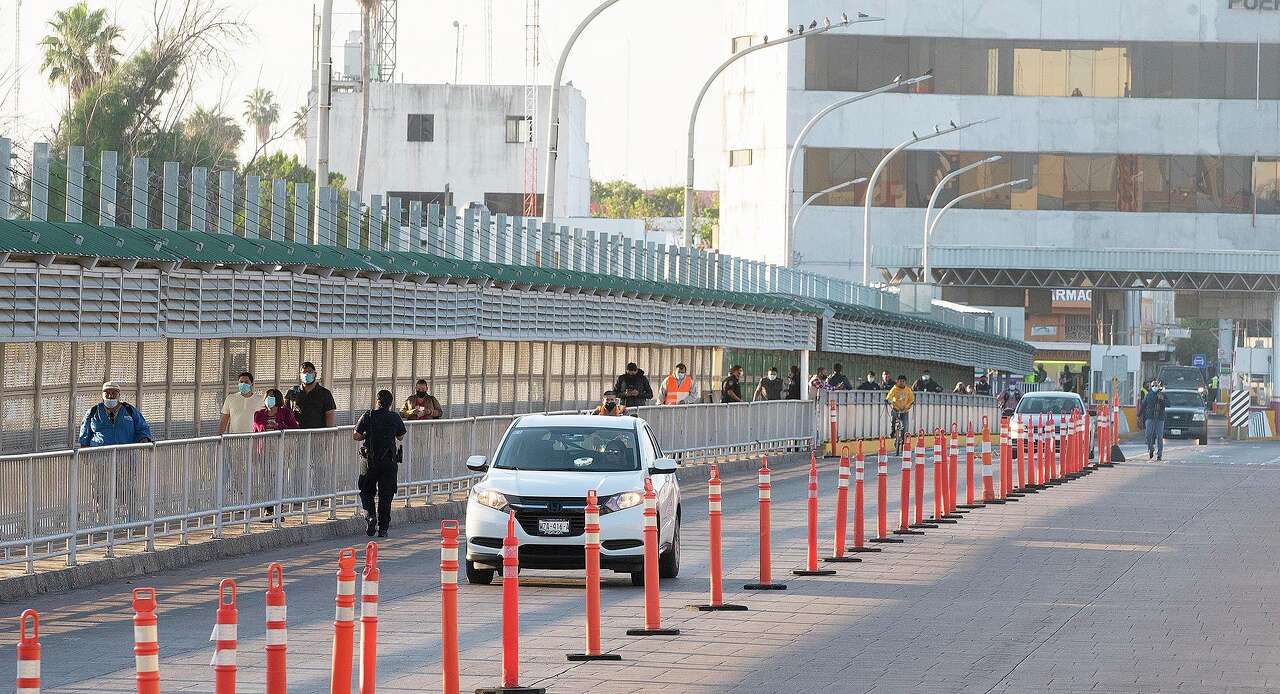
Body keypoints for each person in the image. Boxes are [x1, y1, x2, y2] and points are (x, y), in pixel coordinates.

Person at [353, 390, 406, 538]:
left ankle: (370, 517)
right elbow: (401, 436)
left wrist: (366, 435)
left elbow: (356, 435)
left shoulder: (368, 415)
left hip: (369, 461)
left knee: (366, 491)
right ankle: (383, 529)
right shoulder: (394, 417)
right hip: (389, 462)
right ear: (390, 403)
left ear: (377, 401)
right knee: (386, 495)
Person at [79, 381, 154, 447]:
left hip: (126, 456)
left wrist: (144, 440)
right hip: (99, 456)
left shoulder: (129, 410)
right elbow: (84, 435)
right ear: (102, 395)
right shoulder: (93, 411)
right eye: (107, 393)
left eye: (114, 393)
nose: (110, 396)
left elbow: (142, 428)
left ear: (119, 395)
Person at [286, 361, 337, 429]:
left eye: (309, 372)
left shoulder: (325, 393)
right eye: (304, 372)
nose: (307, 374)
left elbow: (330, 416)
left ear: (315, 374)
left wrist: (329, 436)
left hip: (317, 435)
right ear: (300, 375)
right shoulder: (292, 391)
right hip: (297, 435)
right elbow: (285, 412)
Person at [885, 374, 915, 447]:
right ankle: (893, 431)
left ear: (905, 382)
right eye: (900, 381)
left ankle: (903, 442)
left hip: (905, 410)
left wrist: (908, 406)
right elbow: (890, 396)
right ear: (897, 382)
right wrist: (888, 400)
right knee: (893, 419)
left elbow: (911, 399)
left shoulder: (908, 390)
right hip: (896, 409)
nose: (901, 383)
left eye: (903, 381)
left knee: (905, 426)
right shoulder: (894, 388)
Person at [1141, 382, 1168, 461]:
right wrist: (1139, 415)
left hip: (1160, 418)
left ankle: (1159, 454)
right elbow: (1143, 405)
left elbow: (1168, 404)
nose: (1155, 387)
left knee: (1159, 436)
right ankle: (1151, 448)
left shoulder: (1162, 394)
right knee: (1148, 434)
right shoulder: (1149, 395)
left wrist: (1162, 399)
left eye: (1157, 386)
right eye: (1154, 386)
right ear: (1151, 387)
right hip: (1150, 417)